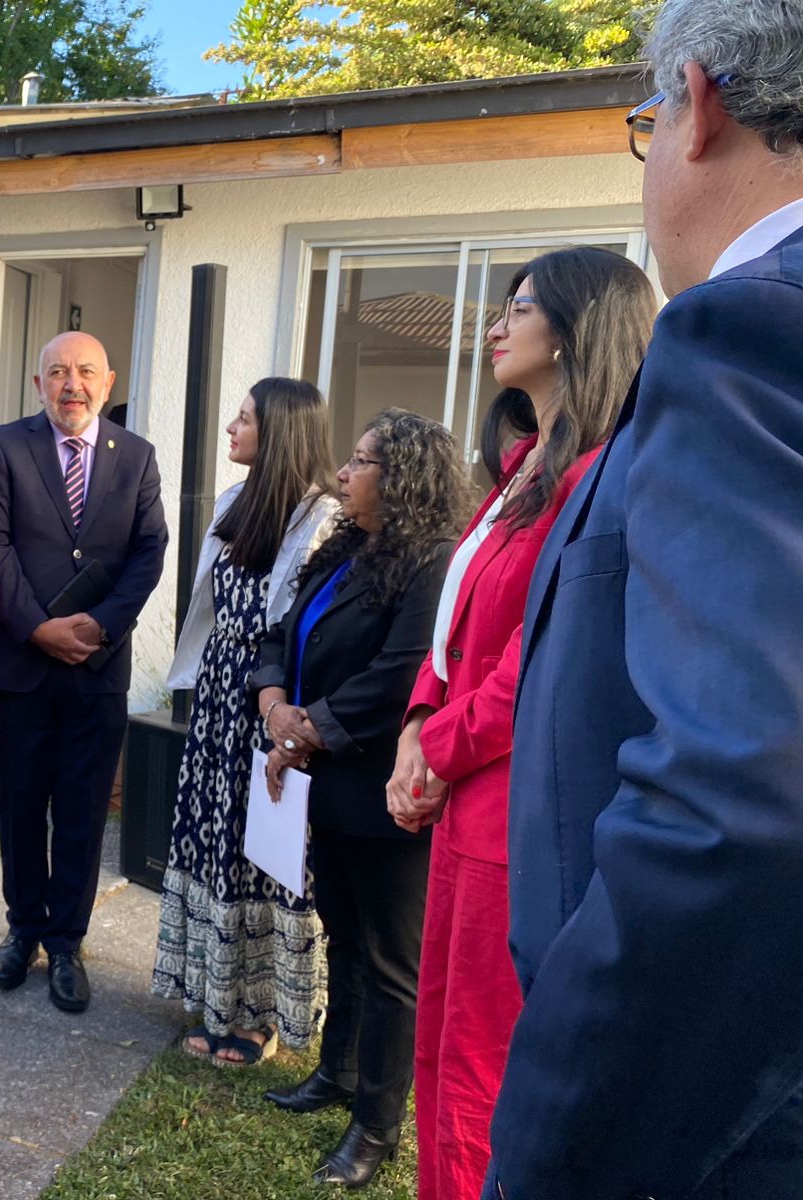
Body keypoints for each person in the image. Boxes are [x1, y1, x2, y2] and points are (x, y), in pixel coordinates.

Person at [485, 4, 803, 1197]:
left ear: (700, 104)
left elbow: (750, 790)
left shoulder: (745, 327)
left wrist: (560, 1145)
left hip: (713, 1131)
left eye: (646, 121)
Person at [383, 249, 655, 1200]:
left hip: (516, 821)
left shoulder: (593, 480)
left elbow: (541, 662)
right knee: (438, 1051)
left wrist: (439, 750)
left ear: (578, 329)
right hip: (463, 804)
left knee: (478, 1080)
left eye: (522, 307)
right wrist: (419, 726)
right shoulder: (519, 473)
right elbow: (454, 631)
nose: (498, 326)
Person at [252, 409, 466, 1188]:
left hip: (383, 794)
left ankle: (376, 1125)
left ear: (403, 476)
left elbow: (400, 674)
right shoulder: (346, 547)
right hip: (323, 784)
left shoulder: (433, 561)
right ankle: (336, 1073)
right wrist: (275, 703)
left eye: (362, 460)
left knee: (389, 964)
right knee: (342, 933)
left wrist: (307, 729)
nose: (344, 471)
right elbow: (282, 633)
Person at [0, 330, 167, 1013]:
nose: (71, 384)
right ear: (38, 384)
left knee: (82, 812)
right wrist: (38, 627)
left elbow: (149, 552)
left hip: (98, 667)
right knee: (21, 806)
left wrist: (101, 625)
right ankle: (22, 932)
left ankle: (67, 943)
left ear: (108, 382)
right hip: (22, 664)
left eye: (85, 371)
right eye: (57, 372)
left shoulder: (137, 458)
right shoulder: (4, 448)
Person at [152, 377, 339, 1066]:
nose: (232, 428)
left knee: (267, 853)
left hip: (272, 702)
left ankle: (259, 1014)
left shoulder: (322, 518)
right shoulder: (233, 503)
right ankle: (212, 995)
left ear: (282, 432)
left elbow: (307, 629)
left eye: (245, 418)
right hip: (217, 699)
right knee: (212, 844)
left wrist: (285, 713)